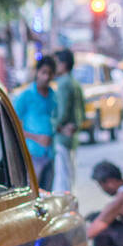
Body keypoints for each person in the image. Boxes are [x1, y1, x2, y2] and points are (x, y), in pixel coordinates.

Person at [14, 56, 59, 189]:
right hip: (31, 154)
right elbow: (13, 126)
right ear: (37, 72)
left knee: (47, 192)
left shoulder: (53, 96)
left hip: (50, 153)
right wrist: (36, 138)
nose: (46, 77)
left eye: (50, 73)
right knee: (34, 192)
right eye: (43, 72)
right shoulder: (25, 95)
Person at [53, 49, 85, 188]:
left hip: (63, 136)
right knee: (69, 176)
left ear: (63, 64)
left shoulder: (64, 83)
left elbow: (62, 112)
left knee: (62, 179)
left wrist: (55, 125)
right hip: (73, 136)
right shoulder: (75, 83)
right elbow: (81, 113)